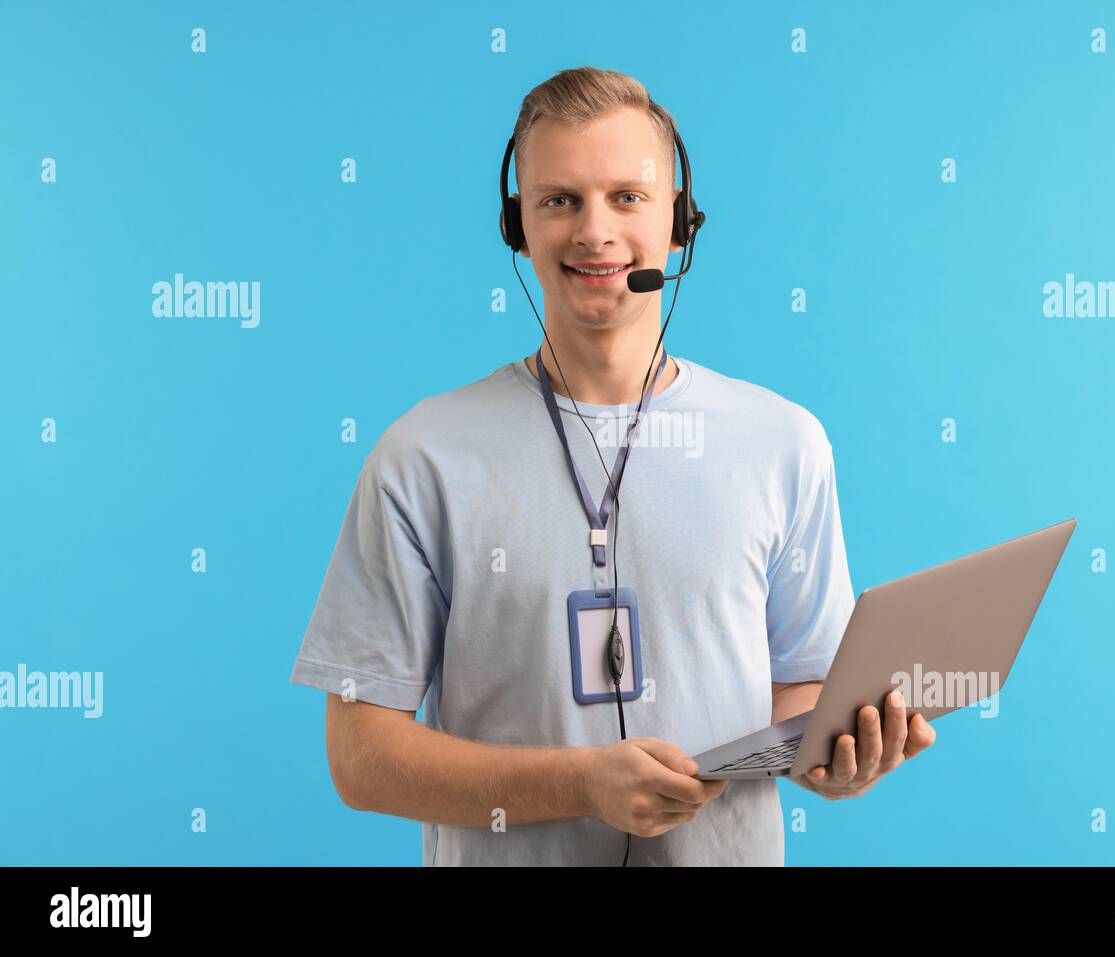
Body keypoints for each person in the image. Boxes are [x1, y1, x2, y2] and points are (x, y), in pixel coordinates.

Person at [289, 66, 936, 867]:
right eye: (560, 199)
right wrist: (577, 783)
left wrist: (841, 759)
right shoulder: (422, 456)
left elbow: (802, 692)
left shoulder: (785, 442)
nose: (594, 233)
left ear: (679, 224)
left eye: (627, 197)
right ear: (516, 225)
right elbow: (360, 757)